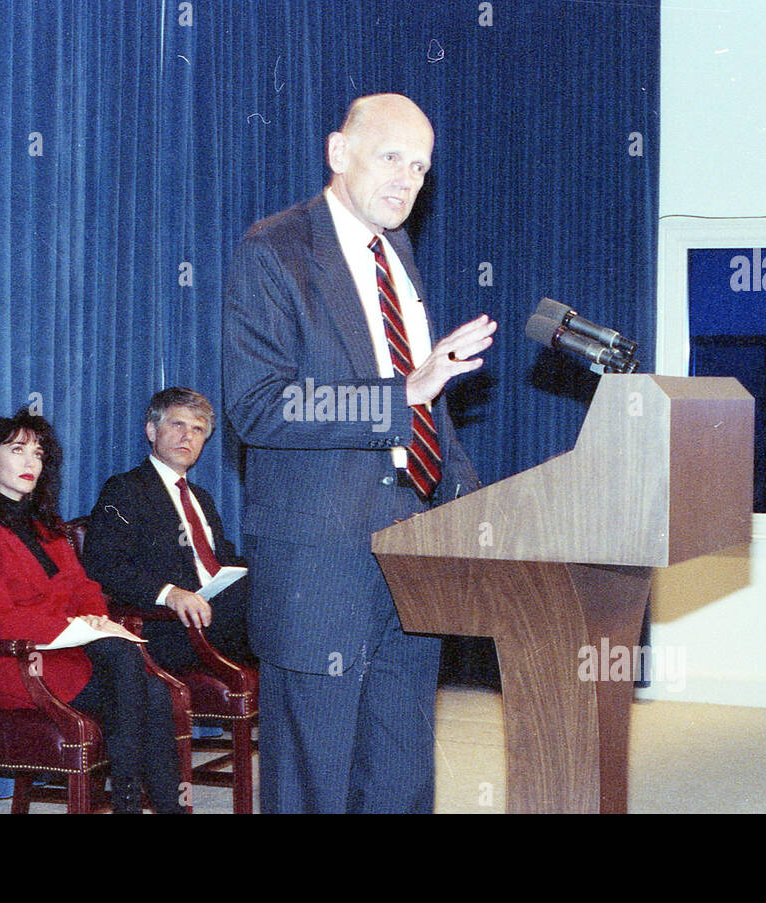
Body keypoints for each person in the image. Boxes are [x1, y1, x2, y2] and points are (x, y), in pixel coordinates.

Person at [222, 93, 496, 813]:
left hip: (410, 559)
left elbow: (427, 410)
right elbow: (260, 405)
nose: (407, 179)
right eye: (391, 157)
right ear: (337, 153)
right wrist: (399, 391)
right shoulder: (275, 250)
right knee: (315, 786)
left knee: (402, 780)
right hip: (322, 570)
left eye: (421, 166)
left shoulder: (397, 254)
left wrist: (476, 511)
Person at [0, 408, 184, 814]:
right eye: (18, 450)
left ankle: (162, 808)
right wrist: (76, 626)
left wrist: (92, 618)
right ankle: (128, 802)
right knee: (129, 664)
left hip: (72, 652)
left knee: (154, 689)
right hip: (19, 662)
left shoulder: (46, 525)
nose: (30, 463)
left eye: (38, 454)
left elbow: (83, 586)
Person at [83, 387, 252, 673]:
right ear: (151, 431)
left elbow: (225, 561)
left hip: (221, 617)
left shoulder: (203, 499)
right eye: (178, 425)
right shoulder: (125, 489)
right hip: (170, 625)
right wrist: (170, 594)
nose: (188, 436)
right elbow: (105, 565)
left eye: (198, 430)